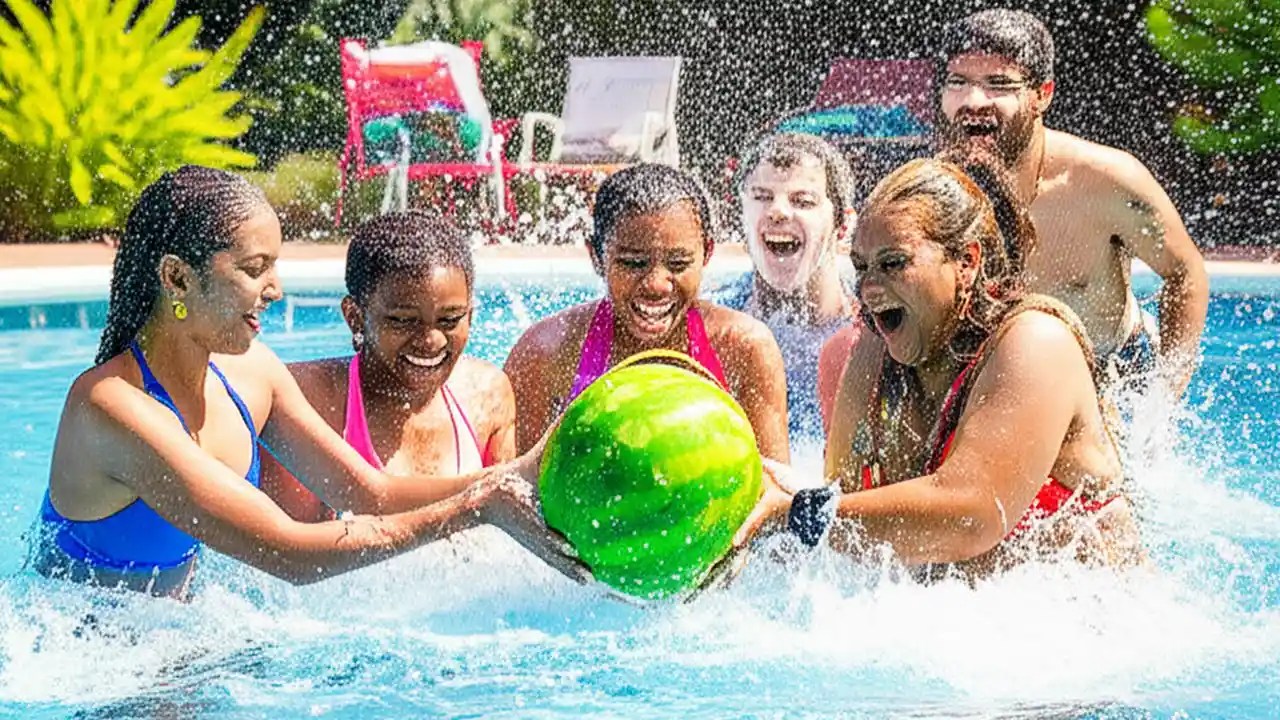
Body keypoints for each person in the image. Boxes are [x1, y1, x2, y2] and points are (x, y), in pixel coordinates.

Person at [29, 166, 581, 599]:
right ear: (177, 276)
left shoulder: (252, 375)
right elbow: (291, 556)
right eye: (254, 269)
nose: (275, 290)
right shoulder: (111, 406)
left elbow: (369, 493)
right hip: (88, 662)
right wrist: (474, 507)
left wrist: (515, 477)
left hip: (180, 648)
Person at [735, 156, 1144, 577]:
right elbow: (847, 508)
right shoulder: (874, 347)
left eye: (893, 263)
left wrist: (795, 513)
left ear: (966, 262)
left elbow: (973, 514)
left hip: (1096, 623)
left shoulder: (1037, 343)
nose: (870, 287)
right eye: (862, 266)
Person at [936, 8, 1208, 397]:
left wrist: (1162, 403)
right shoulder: (933, 192)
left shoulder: (1104, 182)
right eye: (957, 82)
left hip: (1110, 376)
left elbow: (1185, 273)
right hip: (994, 383)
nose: (974, 100)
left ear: (1042, 95)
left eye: (999, 84)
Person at [505, 163, 790, 462]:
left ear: (706, 254)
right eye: (632, 263)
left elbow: (778, 492)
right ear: (597, 257)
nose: (656, 285)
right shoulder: (547, 353)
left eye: (679, 264)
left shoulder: (744, 347)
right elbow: (512, 491)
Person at [260, 211, 515, 522]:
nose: (430, 340)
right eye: (403, 321)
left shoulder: (486, 394)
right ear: (355, 317)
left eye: (450, 320)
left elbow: (508, 534)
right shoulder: (306, 398)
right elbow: (291, 555)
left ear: (470, 316)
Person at [710, 133, 861, 440]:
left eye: (803, 201)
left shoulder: (870, 332)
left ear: (844, 226)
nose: (777, 211)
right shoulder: (712, 324)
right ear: (741, 215)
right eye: (762, 197)